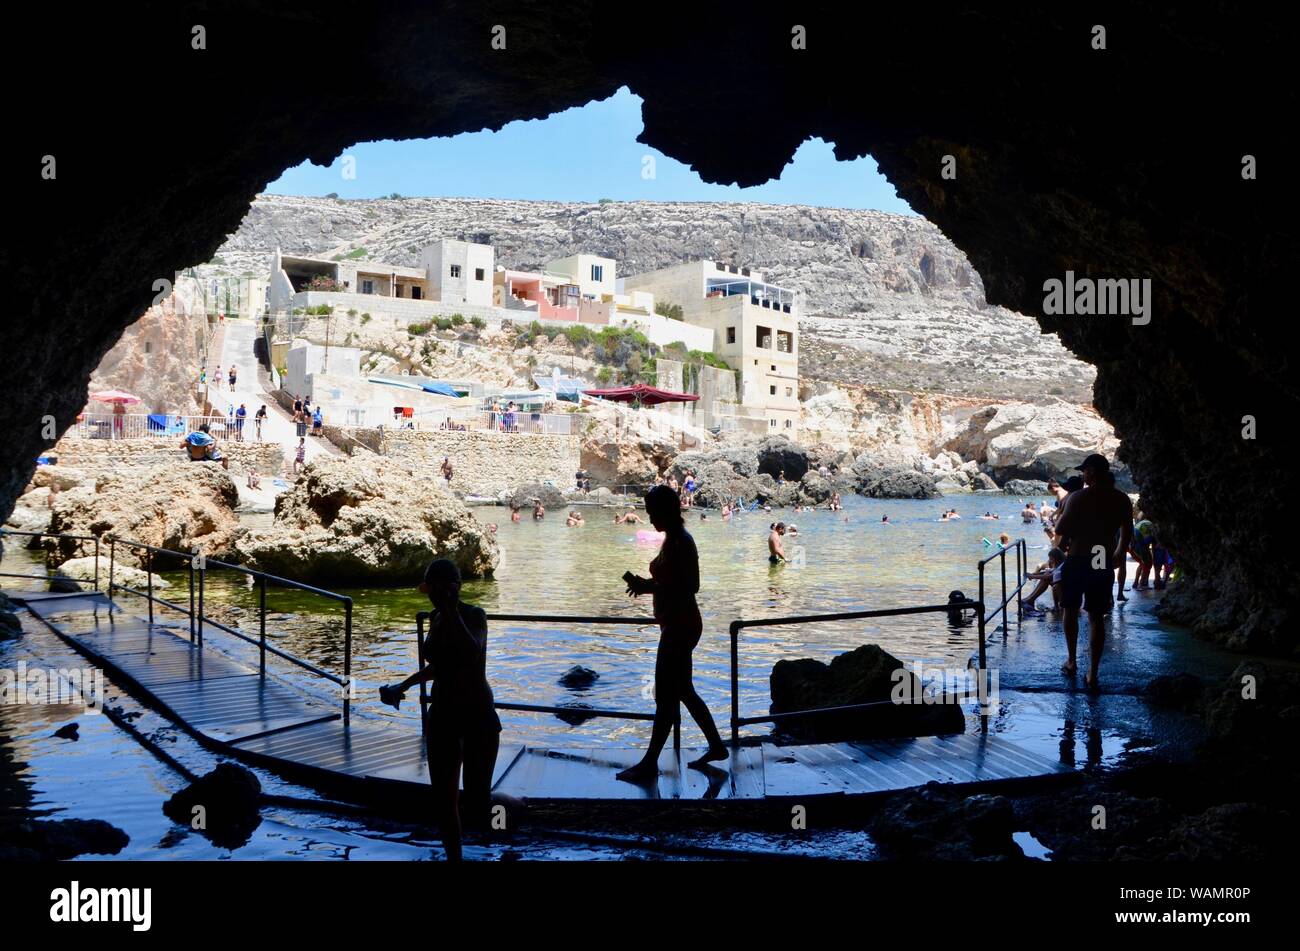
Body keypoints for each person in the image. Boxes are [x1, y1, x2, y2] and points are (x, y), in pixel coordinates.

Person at [379, 559, 501, 862]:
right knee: (444, 801)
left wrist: (450, 610)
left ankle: (510, 813)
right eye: (432, 589)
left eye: (444, 588)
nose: (436, 595)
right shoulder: (434, 617)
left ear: (457, 588)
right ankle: (454, 859)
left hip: (477, 713)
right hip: (443, 712)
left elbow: (471, 651)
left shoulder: (475, 616)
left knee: (477, 801)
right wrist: (403, 686)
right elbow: (439, 666)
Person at [617, 485, 728, 780]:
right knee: (684, 691)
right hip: (678, 623)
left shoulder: (681, 541)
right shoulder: (673, 540)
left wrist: (648, 586)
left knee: (666, 696)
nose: (650, 518)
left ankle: (650, 763)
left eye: (653, 512)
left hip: (680, 625)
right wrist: (648, 585)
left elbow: (691, 586)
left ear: (666, 510)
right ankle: (716, 746)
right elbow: (675, 582)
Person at [1053, 454, 1133, 691]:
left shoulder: (1078, 497)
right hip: (1102, 556)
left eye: (1084, 471)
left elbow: (1061, 528)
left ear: (1091, 472)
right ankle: (1093, 673)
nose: (1083, 475)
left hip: (1079, 556)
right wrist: (1119, 552)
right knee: (1096, 616)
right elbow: (1127, 530)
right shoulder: (1121, 499)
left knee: (1069, 608)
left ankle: (1071, 661)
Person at [1023, 548, 1066, 613]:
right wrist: (1034, 574)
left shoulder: (1062, 566)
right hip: (1061, 585)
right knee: (1045, 579)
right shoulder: (1060, 564)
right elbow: (1050, 572)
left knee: (1047, 579)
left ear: (1056, 559)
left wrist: (1032, 576)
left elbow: (1050, 576)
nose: (1050, 561)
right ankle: (1030, 599)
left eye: (1051, 559)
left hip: (1065, 588)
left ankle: (1030, 599)